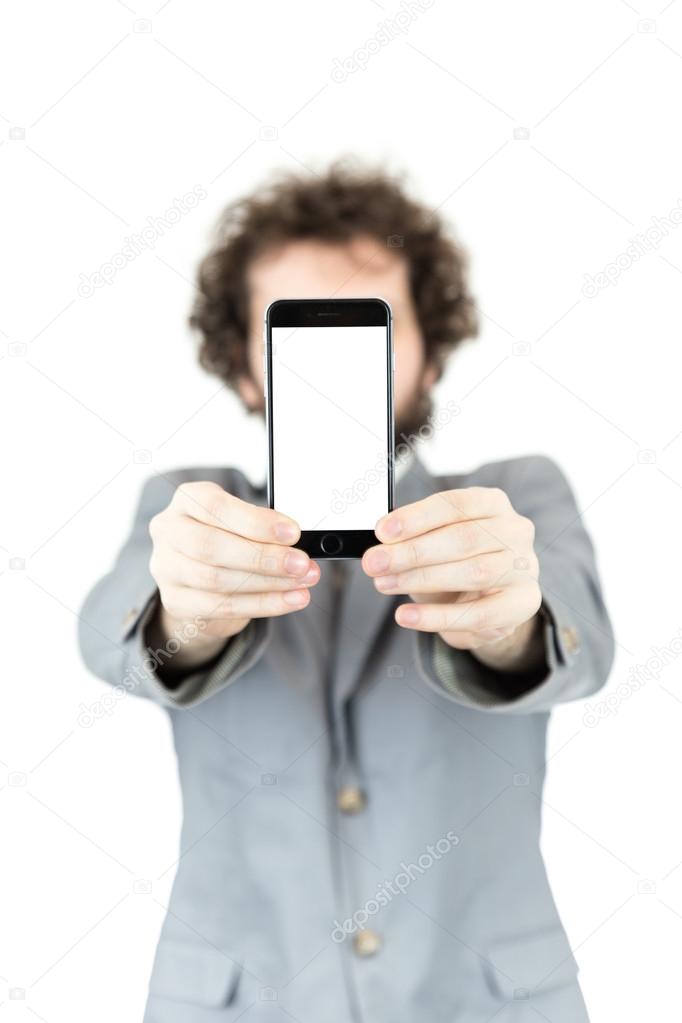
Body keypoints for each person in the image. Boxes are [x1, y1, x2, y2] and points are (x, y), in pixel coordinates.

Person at [79, 161, 614, 1023]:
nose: (331, 373)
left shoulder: (516, 495)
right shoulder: (188, 504)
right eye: (291, 336)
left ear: (431, 353)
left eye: (372, 331)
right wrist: (185, 616)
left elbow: (577, 639)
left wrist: (511, 623)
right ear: (244, 369)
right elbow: (112, 636)